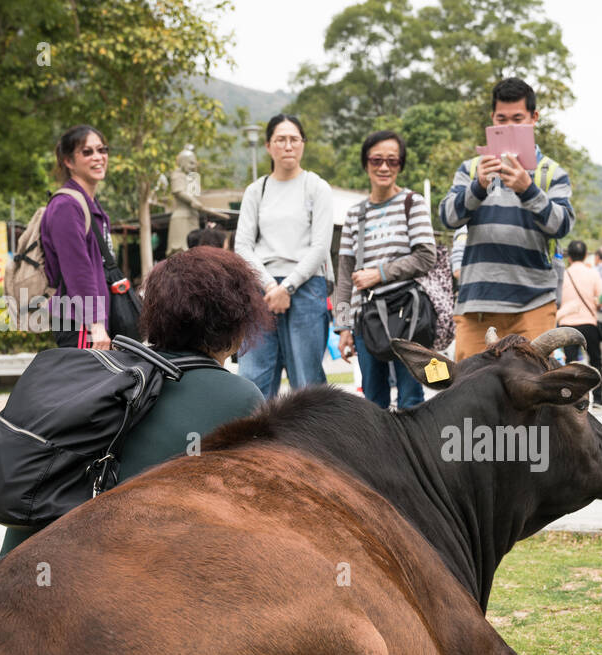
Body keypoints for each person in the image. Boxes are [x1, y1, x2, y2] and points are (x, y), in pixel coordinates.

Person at [0, 247, 266, 560]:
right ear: (234, 320)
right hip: (120, 579)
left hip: (21, 570)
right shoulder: (239, 397)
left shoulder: (105, 373)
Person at [439, 77, 574, 360]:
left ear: (534, 118)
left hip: (534, 303)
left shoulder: (551, 172)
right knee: (469, 391)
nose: (509, 128)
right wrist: (478, 186)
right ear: (492, 119)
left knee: (535, 391)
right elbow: (447, 217)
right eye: (502, 120)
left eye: (518, 119)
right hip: (477, 304)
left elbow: (562, 225)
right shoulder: (472, 168)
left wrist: (529, 190)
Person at [334, 129, 438, 411]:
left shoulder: (411, 203)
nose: (384, 167)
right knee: (372, 402)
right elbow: (345, 274)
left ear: (400, 165)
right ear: (366, 163)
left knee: (411, 399)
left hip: (408, 314)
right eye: (376, 160)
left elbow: (426, 256)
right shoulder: (355, 214)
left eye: (392, 161)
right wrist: (343, 326)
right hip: (366, 319)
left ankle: (413, 455)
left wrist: (379, 273)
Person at [234, 113, 334, 398]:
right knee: (253, 378)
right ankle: (254, 442)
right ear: (268, 146)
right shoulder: (257, 190)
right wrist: (270, 286)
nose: (288, 146)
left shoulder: (317, 187)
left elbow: (320, 247)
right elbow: (242, 246)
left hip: (306, 287)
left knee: (307, 380)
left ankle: (313, 442)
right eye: (281, 140)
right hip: (262, 289)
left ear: (303, 144)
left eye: (294, 139)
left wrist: (287, 286)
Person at [41, 125, 114, 350]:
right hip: (79, 321)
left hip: (92, 321)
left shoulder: (91, 206)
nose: (98, 157)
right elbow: (77, 270)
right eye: (87, 152)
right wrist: (95, 323)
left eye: (102, 150)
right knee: (84, 385)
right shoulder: (66, 206)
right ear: (68, 161)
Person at [557, 240, 602, 407]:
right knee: (595, 361)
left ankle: (573, 399)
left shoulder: (563, 274)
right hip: (588, 323)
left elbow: (557, 300)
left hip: (567, 324)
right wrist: (593, 302)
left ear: (569, 257)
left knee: (571, 363)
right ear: (586, 255)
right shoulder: (592, 273)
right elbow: (601, 299)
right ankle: (598, 398)